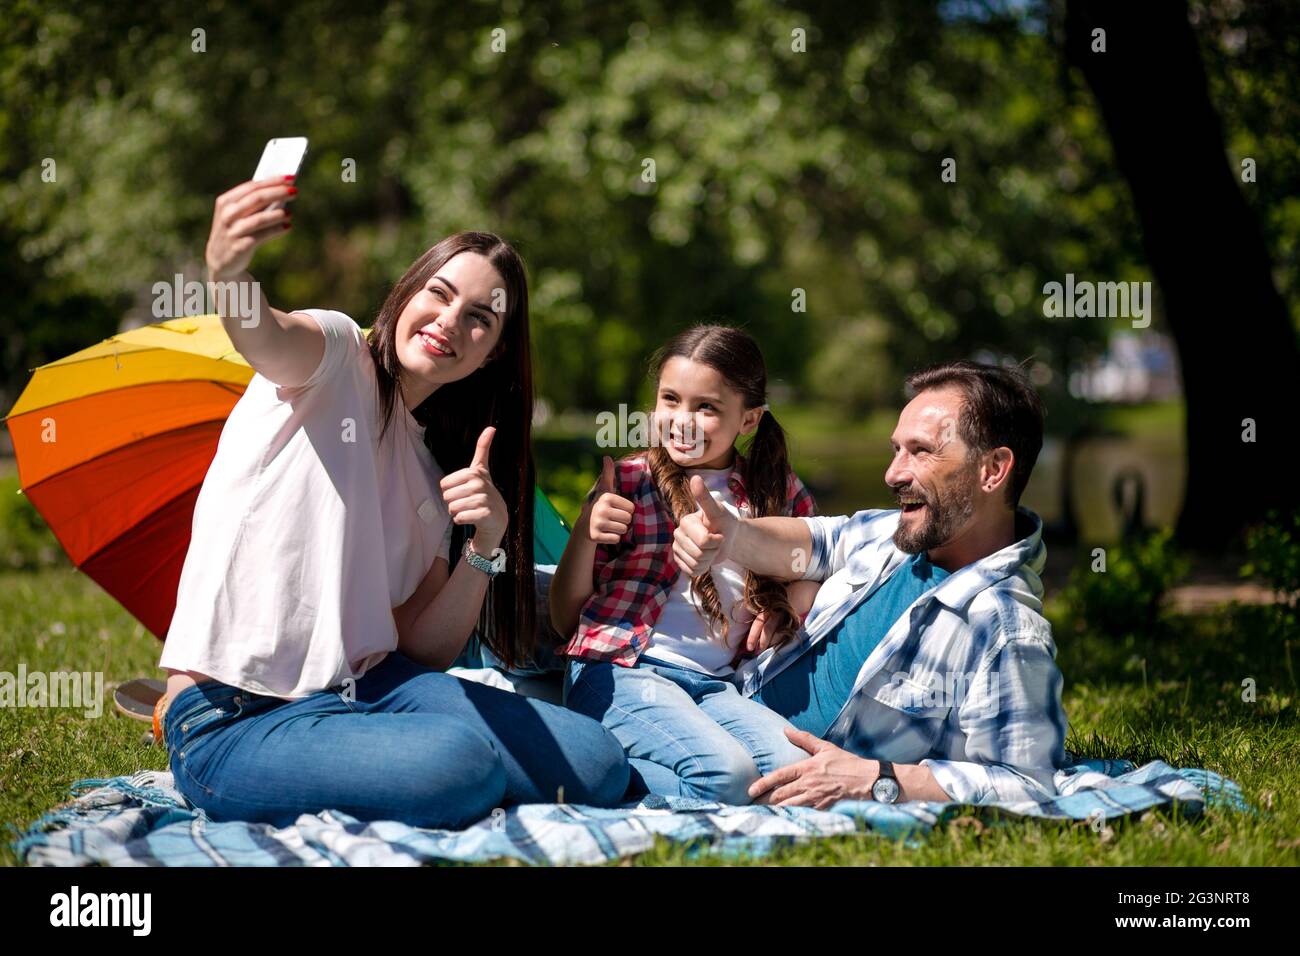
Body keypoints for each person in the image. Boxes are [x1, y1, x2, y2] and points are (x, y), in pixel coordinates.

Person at [155, 174, 629, 829]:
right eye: (439, 294)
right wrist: (228, 270)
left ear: (490, 355)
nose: (449, 322)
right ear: (407, 292)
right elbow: (264, 334)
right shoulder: (333, 359)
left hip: (374, 691)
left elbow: (424, 647)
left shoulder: (435, 467)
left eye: (478, 319)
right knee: (456, 766)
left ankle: (403, 759)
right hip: (238, 716)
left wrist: (488, 544)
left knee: (596, 762)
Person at [673, 361, 1069, 808]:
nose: (893, 474)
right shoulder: (897, 534)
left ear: (993, 470)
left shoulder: (1006, 628)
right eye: (896, 449)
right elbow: (813, 542)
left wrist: (876, 780)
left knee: (600, 771)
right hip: (721, 697)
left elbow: (1028, 783)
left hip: (758, 774)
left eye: (921, 451)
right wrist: (733, 535)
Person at [550, 324, 820, 803]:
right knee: (726, 775)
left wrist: (789, 606)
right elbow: (563, 617)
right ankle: (593, 773)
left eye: (707, 407)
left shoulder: (773, 490)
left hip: (717, 686)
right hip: (622, 669)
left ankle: (642, 774)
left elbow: (821, 558)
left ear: (750, 420)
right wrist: (587, 529)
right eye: (670, 400)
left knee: (790, 771)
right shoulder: (629, 481)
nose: (683, 420)